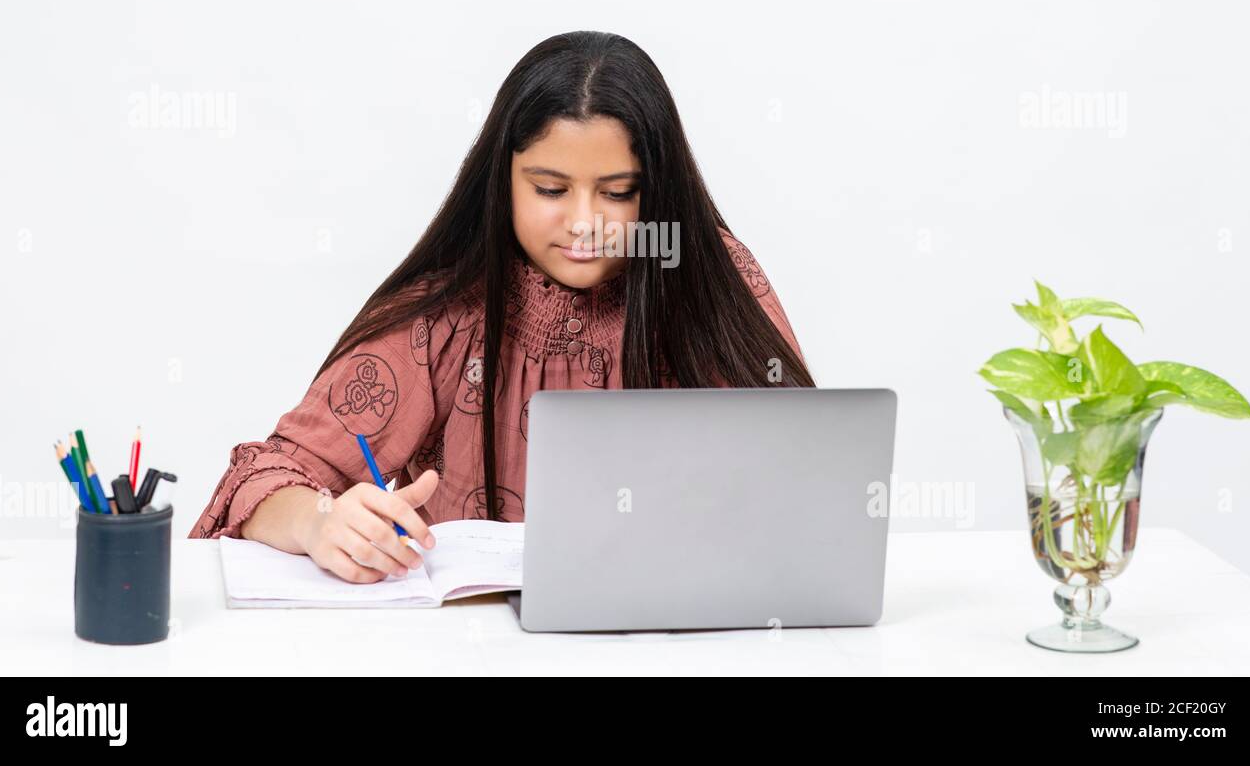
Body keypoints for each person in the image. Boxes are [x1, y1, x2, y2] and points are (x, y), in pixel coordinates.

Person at [189, 30, 814, 583]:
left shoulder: (712, 277)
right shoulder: (444, 315)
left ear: (659, 191)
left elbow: (810, 469)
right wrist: (319, 522)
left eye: (619, 193)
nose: (585, 223)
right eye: (550, 189)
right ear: (502, 179)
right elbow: (266, 474)